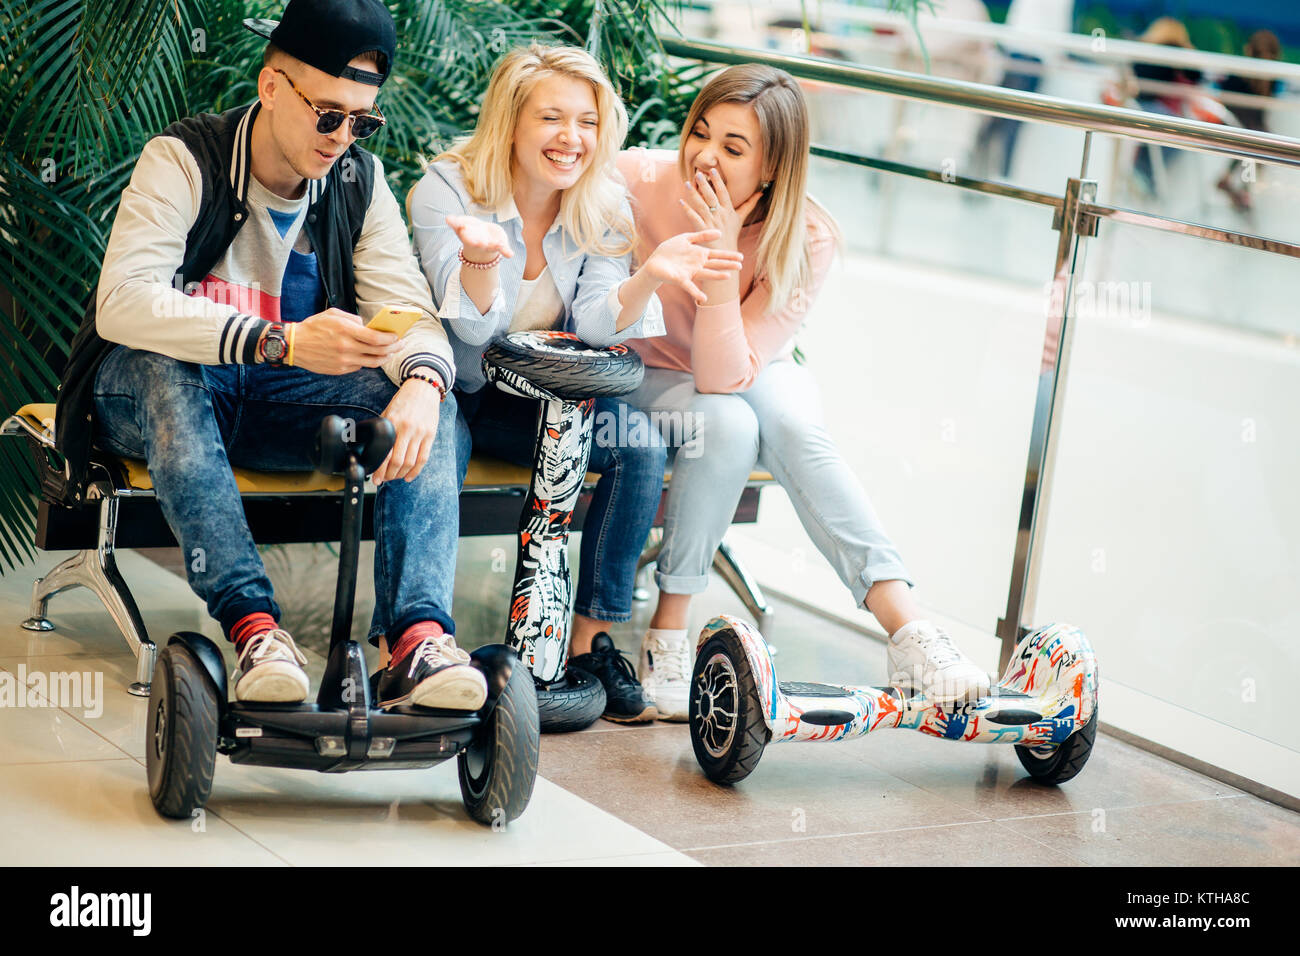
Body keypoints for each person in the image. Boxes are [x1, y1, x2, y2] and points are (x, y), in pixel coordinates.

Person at [55, 0, 488, 712]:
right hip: (153, 394)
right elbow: (125, 302)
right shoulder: (183, 158)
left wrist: (422, 382)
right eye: (329, 115)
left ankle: (416, 640)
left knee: (431, 408)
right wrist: (278, 339)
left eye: (363, 120)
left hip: (282, 402)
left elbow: (406, 309)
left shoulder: (359, 184)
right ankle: (255, 629)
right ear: (272, 88)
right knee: (170, 370)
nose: (344, 137)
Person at [618, 64, 992, 720]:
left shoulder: (806, 236)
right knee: (727, 423)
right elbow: (707, 388)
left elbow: (726, 372)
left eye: (734, 148)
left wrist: (725, 249)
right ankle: (668, 631)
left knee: (792, 424)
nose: (705, 154)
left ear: (771, 169)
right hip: (648, 371)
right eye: (700, 132)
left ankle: (908, 630)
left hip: (743, 361)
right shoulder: (640, 179)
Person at [408, 43, 743, 722]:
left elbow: (595, 324)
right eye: (552, 118)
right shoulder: (447, 189)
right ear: (510, 121)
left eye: (587, 122)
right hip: (449, 382)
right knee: (437, 458)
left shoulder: (599, 200)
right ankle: (427, 646)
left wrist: (647, 275)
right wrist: (478, 258)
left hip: (534, 396)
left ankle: (591, 643)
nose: (572, 139)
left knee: (639, 447)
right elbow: (472, 333)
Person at [1215, 30, 1283, 212]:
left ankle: (1233, 181)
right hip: (1245, 129)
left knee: (1253, 141)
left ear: (1249, 49)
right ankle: (1244, 188)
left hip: (1233, 123)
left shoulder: (1237, 73)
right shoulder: (1272, 79)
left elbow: (1224, 97)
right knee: (1257, 141)